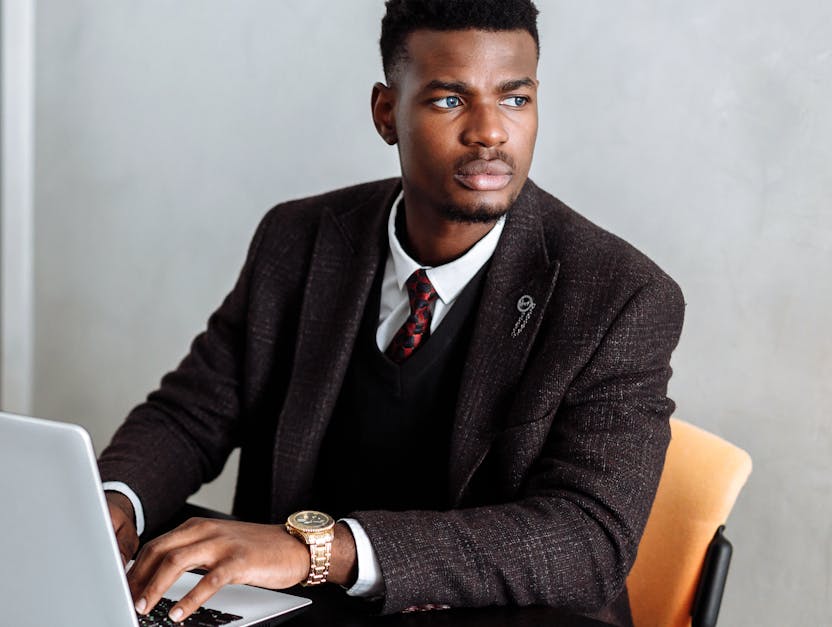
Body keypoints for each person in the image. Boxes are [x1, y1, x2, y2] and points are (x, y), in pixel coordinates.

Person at [97, 1, 684, 625]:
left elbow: (587, 537)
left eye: (515, 99)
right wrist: (112, 502)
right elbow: (192, 414)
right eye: (450, 100)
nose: (490, 131)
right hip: (292, 611)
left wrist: (320, 550)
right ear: (386, 113)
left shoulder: (619, 295)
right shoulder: (298, 239)